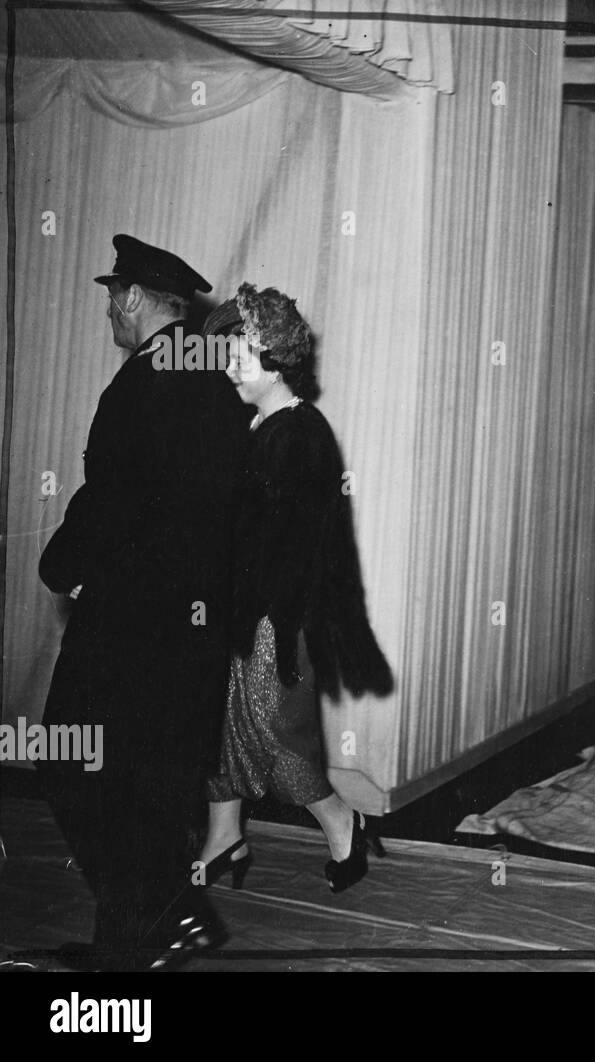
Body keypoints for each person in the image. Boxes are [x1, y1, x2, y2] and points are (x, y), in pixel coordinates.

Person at [38, 235, 247, 970]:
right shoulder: (216, 376)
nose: (109, 314)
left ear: (130, 298)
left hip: (131, 620)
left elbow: (112, 500)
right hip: (195, 622)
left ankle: (169, 913)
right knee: (148, 786)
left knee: (71, 760)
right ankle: (130, 945)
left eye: (110, 298)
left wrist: (59, 564)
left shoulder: (139, 382)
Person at [194, 284, 393, 896]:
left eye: (243, 355)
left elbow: (302, 551)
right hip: (238, 614)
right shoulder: (257, 425)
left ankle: (343, 821)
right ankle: (224, 835)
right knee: (221, 728)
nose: (230, 366)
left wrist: (274, 629)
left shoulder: (300, 433)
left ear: (276, 359)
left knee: (277, 735)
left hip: (275, 623)